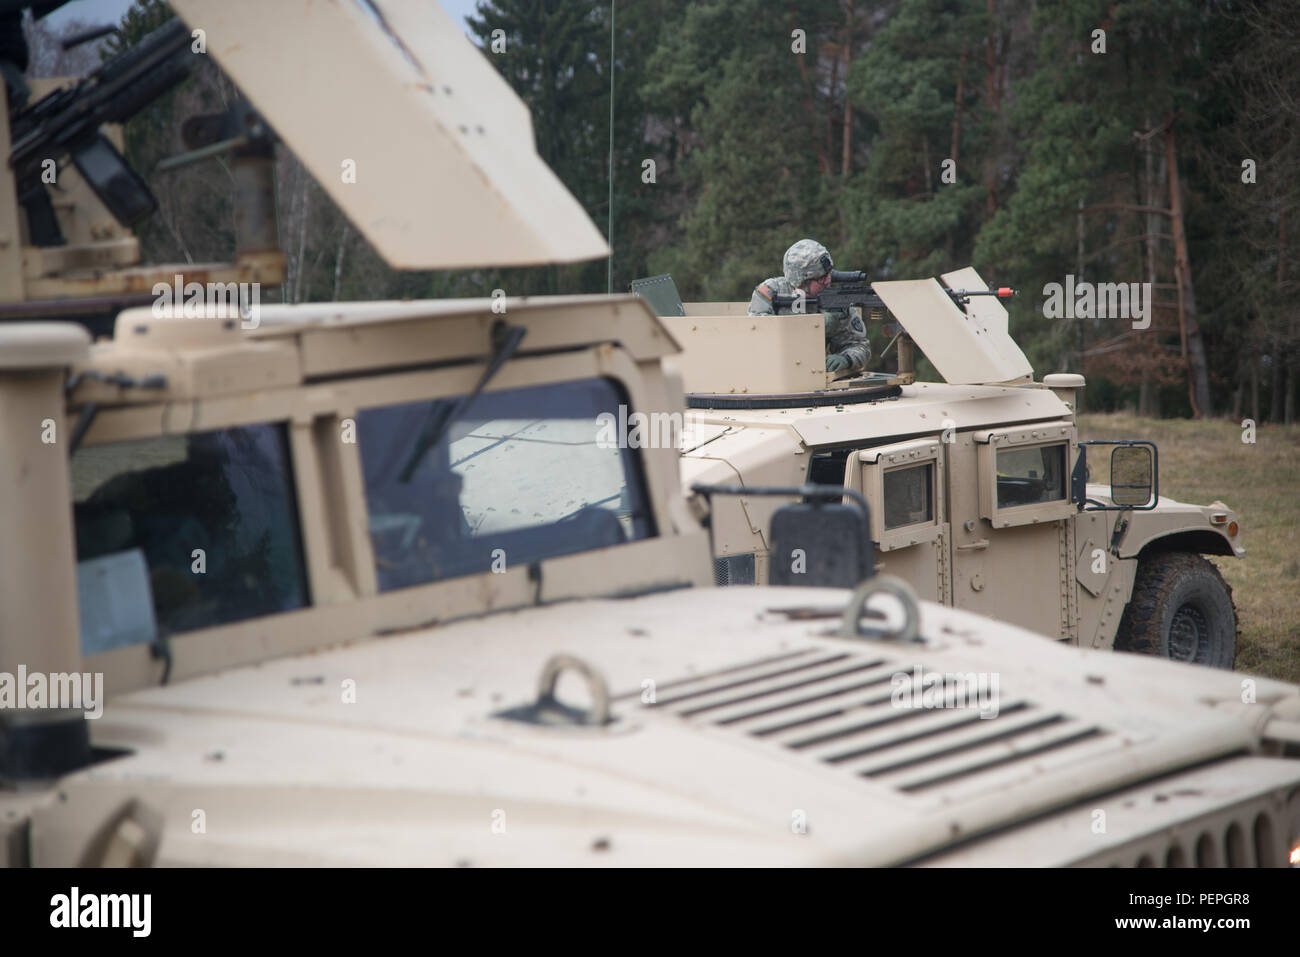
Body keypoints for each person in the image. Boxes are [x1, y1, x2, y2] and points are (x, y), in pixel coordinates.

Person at [747, 239, 871, 374]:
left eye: (829, 274)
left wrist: (846, 358)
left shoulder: (836, 300)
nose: (828, 281)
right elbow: (758, 336)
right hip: (772, 374)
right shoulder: (770, 292)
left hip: (814, 376)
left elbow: (860, 346)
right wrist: (815, 325)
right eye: (821, 278)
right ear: (801, 281)